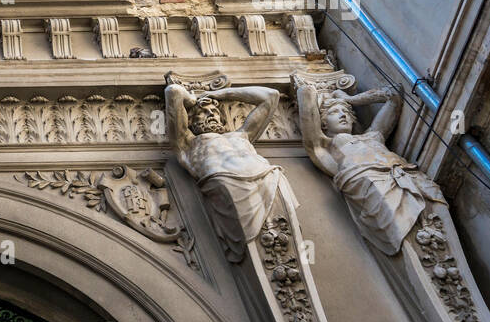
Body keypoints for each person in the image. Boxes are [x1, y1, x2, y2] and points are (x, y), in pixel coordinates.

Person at [295, 83, 445, 255]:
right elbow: (305, 93)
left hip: (407, 174)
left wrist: (349, 99)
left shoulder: (375, 134)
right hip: (372, 183)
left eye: (346, 112)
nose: (343, 115)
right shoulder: (324, 146)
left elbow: (393, 95)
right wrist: (316, 92)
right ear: (323, 123)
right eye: (334, 112)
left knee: (438, 216)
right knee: (407, 236)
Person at [165, 82, 282, 263]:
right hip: (229, 188)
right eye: (204, 112)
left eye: (215, 112)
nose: (212, 114)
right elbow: (173, 91)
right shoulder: (187, 143)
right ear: (191, 121)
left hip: (267, 178)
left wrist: (220, 94)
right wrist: (193, 99)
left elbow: (271, 96)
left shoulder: (242, 135)